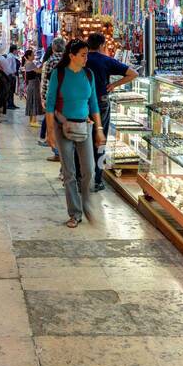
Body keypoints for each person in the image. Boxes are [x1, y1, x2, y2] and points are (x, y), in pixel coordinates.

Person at [45, 40, 104, 228]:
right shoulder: (59, 74)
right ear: (72, 56)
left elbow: (93, 103)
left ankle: (86, 203)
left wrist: (99, 130)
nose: (86, 58)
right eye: (83, 55)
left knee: (89, 170)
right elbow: (49, 105)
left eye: (87, 54)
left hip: (84, 127)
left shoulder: (89, 74)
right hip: (63, 127)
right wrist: (50, 132)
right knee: (69, 172)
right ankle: (75, 213)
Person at [84, 33, 138, 193]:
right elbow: (133, 74)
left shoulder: (82, 59)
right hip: (100, 103)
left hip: (82, 103)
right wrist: (114, 84)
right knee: (100, 141)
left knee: (81, 139)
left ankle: (81, 176)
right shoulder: (106, 61)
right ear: (101, 45)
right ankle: (98, 178)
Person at [39, 37, 66, 156]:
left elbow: (44, 81)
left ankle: (57, 151)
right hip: (66, 97)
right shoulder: (68, 60)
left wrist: (43, 98)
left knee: (54, 124)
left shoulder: (49, 62)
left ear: (53, 48)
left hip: (53, 97)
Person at [22, 48, 43, 127]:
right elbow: (39, 71)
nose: (34, 55)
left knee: (31, 101)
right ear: (29, 56)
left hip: (31, 84)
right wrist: (43, 66)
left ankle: (32, 120)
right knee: (34, 100)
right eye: (33, 54)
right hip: (33, 84)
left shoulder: (28, 63)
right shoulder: (30, 63)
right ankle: (34, 120)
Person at [0, 45, 20, 111]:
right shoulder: (10, 57)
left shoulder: (11, 56)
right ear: (14, 50)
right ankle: (10, 104)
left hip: (11, 75)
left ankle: (11, 103)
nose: (17, 51)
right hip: (10, 75)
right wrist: (12, 73)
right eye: (16, 50)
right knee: (10, 90)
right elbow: (9, 66)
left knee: (12, 90)